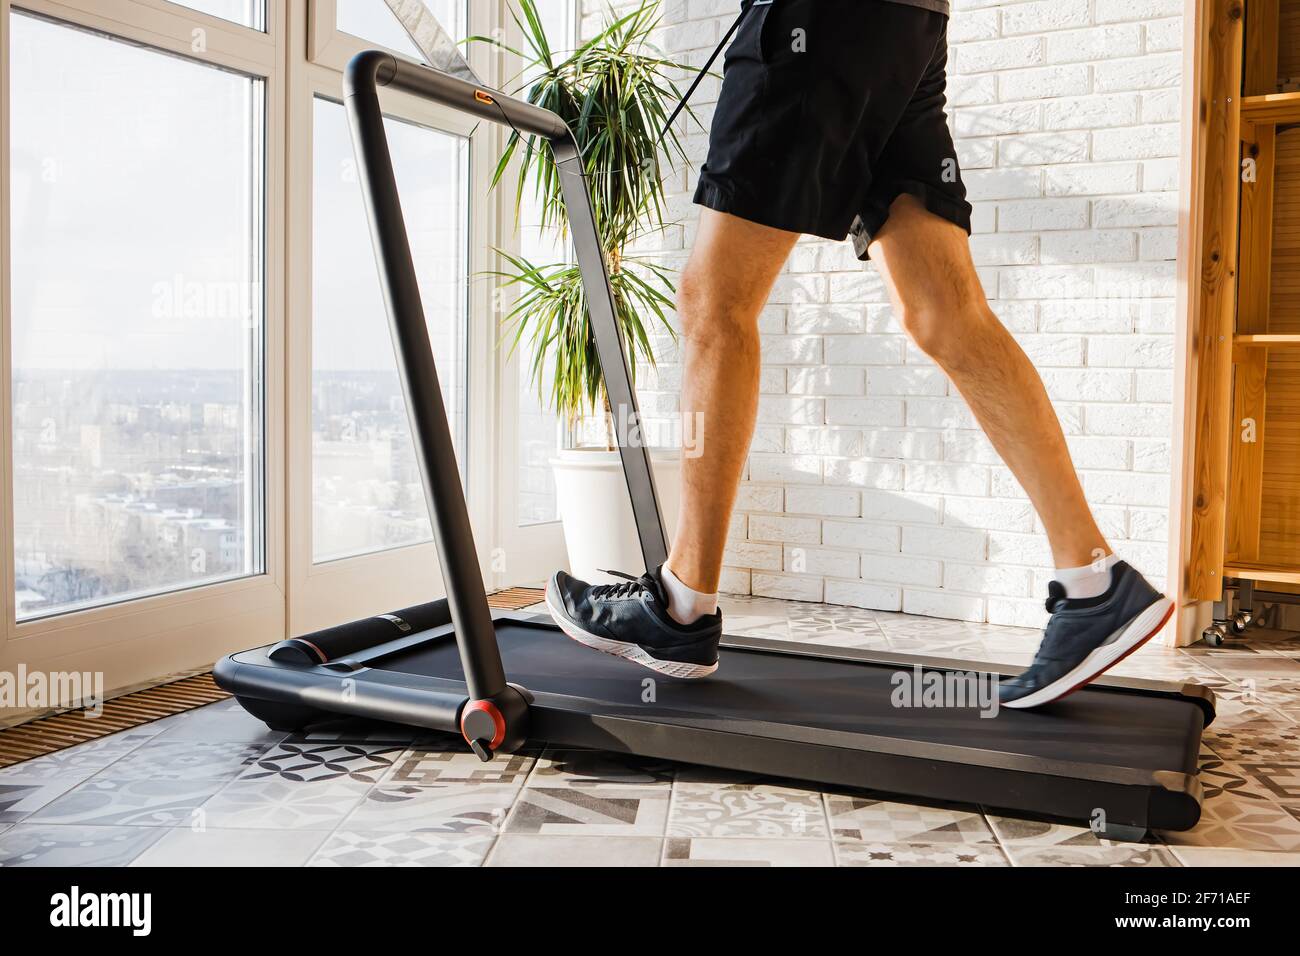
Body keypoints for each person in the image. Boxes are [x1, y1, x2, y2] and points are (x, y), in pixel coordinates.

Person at [545, 0, 1173, 708]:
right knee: (944, 312)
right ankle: (1094, 581)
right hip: (903, 23)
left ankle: (681, 608)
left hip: (825, 17)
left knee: (714, 301)